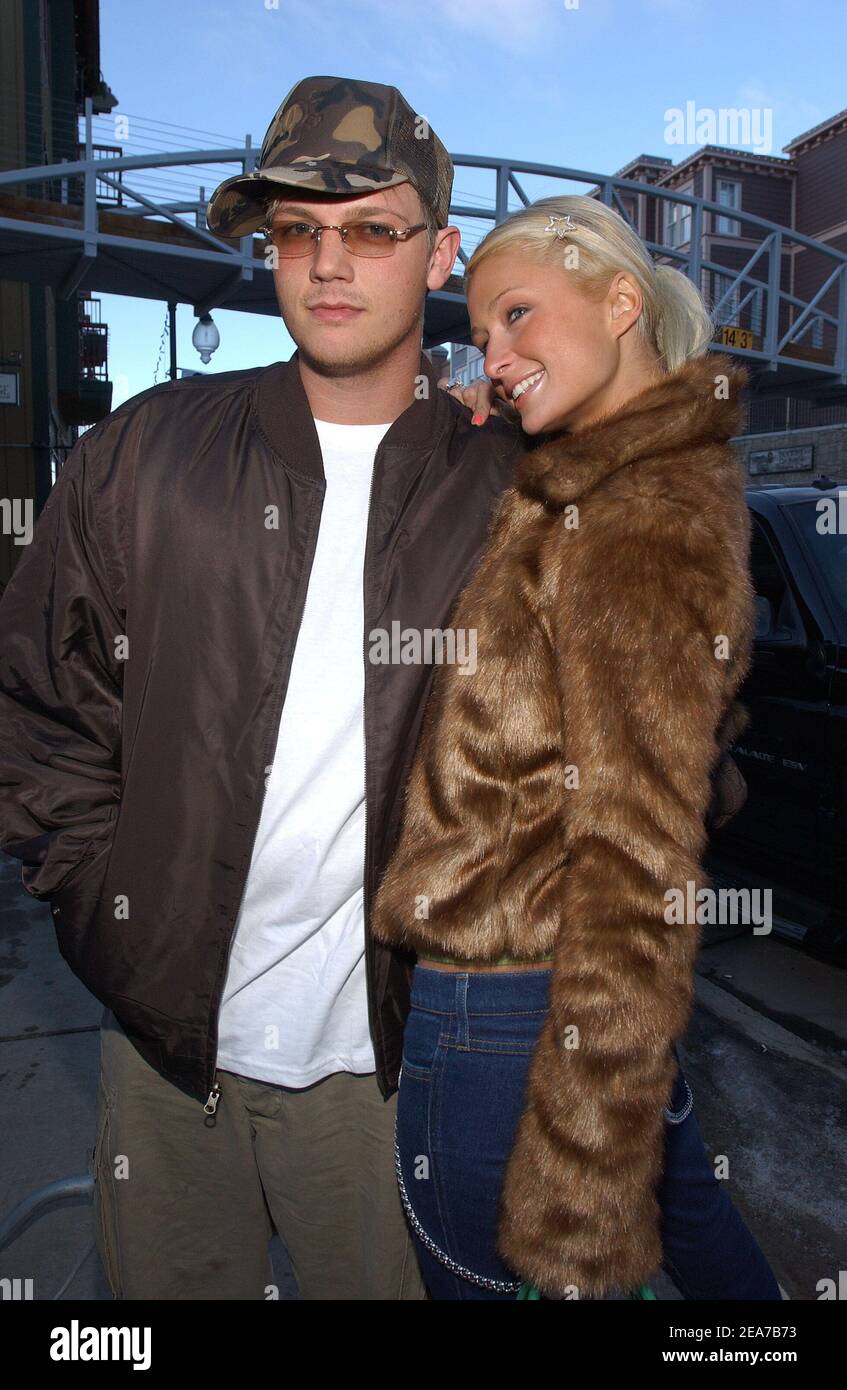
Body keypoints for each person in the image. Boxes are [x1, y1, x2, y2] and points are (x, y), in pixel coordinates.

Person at [0, 76, 525, 1300]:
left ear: (439, 252)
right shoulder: (147, 451)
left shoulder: (509, 488)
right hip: (165, 1054)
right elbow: (40, 702)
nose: (328, 264)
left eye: (371, 230)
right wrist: (100, 910)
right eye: (299, 230)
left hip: (387, 1074)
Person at [371, 194, 783, 1300]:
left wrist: (585, 1151)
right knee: (710, 1254)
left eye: (516, 317)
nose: (495, 358)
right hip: (541, 1004)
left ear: (617, 298)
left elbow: (641, 863)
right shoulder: (604, 479)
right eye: (481, 335)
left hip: (508, 1015)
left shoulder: (632, 512)